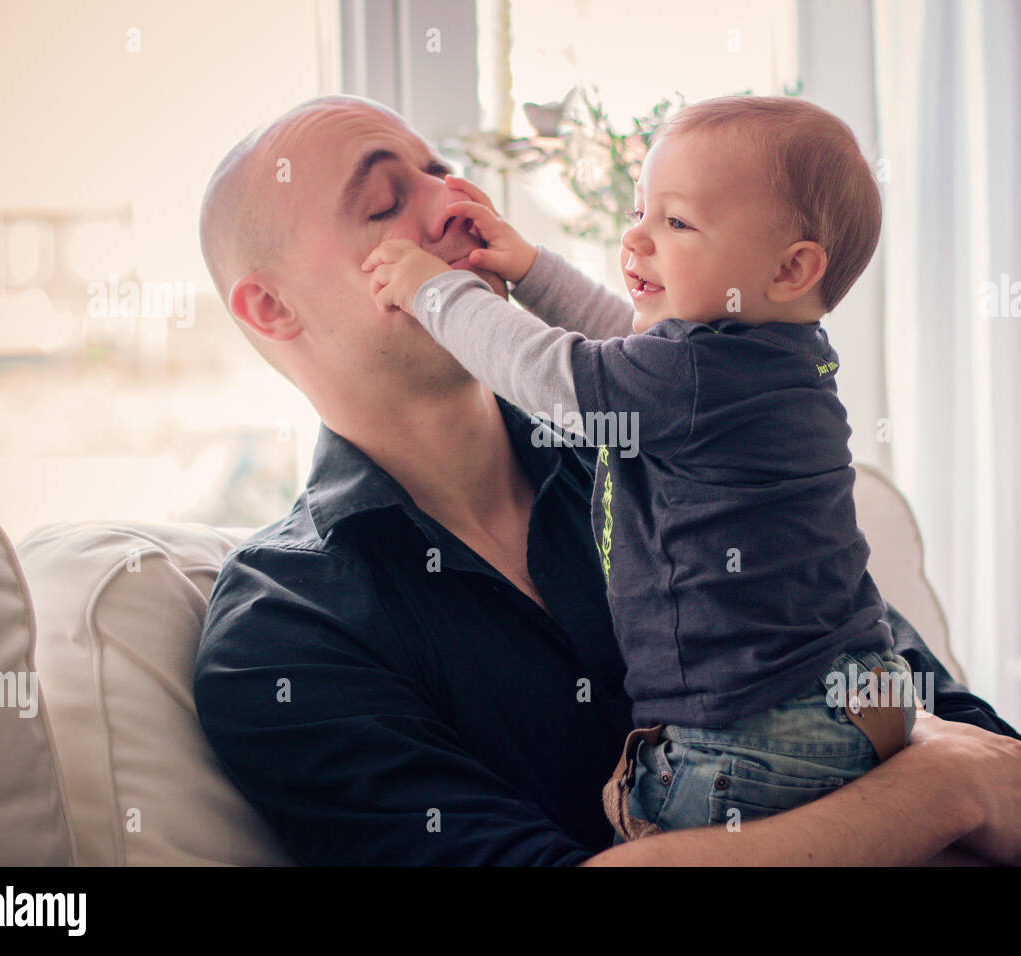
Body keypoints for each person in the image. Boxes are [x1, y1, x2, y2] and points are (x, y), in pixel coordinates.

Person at [193, 93, 1021, 866]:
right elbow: (962, 778)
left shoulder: (674, 438)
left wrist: (957, 774)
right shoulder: (284, 632)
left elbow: (976, 746)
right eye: (386, 200)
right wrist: (932, 798)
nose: (454, 202)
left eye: (445, 171)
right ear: (270, 307)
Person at [364, 94, 918, 841]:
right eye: (640, 210)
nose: (636, 236)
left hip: (756, 726)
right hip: (867, 687)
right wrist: (529, 270)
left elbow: (556, 375)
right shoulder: (779, 355)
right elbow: (622, 351)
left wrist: (435, 290)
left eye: (676, 222)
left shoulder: (692, 376)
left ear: (791, 268)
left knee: (651, 824)